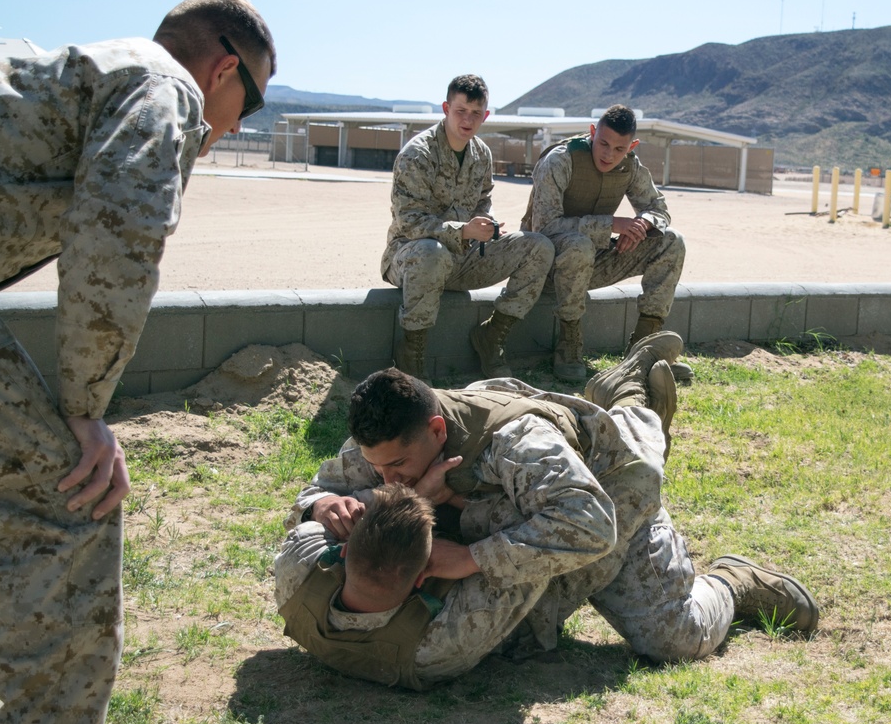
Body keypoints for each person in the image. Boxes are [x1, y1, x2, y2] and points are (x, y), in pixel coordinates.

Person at [0, 0, 275, 724]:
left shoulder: (70, 72)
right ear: (223, 67)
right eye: (249, 104)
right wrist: (86, 409)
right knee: (70, 501)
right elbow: (118, 237)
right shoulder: (165, 86)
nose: (234, 127)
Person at [274, 338, 818, 688]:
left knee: (673, 638)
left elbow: (589, 526)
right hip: (529, 512)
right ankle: (620, 395)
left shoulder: (519, 445)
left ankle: (732, 578)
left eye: (396, 466)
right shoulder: (385, 444)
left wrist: (471, 558)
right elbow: (321, 489)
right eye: (376, 467)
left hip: (606, 488)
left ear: (437, 432)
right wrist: (324, 504)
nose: (385, 478)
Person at [382, 74, 554, 380]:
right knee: (431, 253)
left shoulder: (481, 154)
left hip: (465, 256)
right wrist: (462, 231)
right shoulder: (417, 154)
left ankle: (493, 336)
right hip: (411, 259)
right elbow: (409, 221)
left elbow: (482, 201)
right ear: (446, 108)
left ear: (485, 116)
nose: (468, 120)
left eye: (476, 113)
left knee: (538, 246)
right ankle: (413, 352)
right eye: (461, 111)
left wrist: (487, 224)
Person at [521, 104, 689, 382]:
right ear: (592, 132)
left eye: (619, 149)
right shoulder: (561, 160)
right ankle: (569, 345)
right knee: (578, 245)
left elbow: (659, 209)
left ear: (632, 145)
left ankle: (643, 351)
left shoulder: (630, 166)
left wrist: (641, 224)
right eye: (603, 144)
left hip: (591, 261)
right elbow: (544, 227)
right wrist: (611, 224)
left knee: (671, 241)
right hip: (545, 266)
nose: (609, 154)